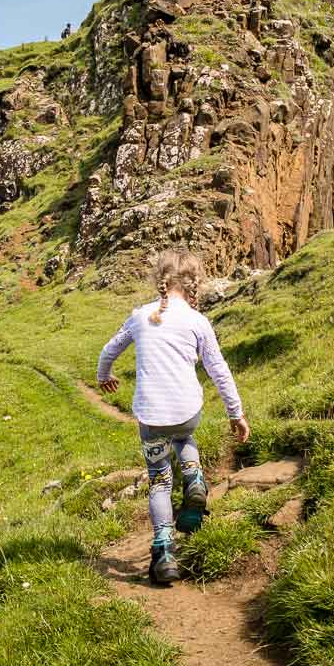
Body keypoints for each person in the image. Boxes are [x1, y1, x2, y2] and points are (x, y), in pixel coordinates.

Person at [96, 249, 249, 584]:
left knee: (160, 480)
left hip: (151, 417)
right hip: (186, 413)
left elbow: (108, 350)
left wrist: (103, 375)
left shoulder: (140, 315)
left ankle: (164, 550)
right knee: (184, 436)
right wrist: (236, 413)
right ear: (194, 284)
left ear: (160, 281)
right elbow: (219, 371)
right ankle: (194, 478)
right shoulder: (199, 321)